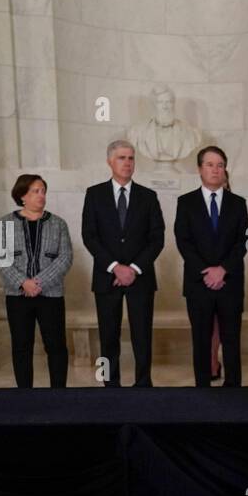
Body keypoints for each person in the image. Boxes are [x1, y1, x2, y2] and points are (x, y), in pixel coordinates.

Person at [81, 140, 164, 387]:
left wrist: (134, 269)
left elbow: (156, 238)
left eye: (131, 158)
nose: (127, 163)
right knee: (108, 336)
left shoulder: (149, 197)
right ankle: (109, 385)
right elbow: (90, 236)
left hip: (141, 278)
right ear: (110, 161)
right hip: (107, 277)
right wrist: (115, 267)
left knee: (142, 336)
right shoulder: (94, 194)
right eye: (121, 158)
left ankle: (143, 383)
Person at [174, 146, 248, 387]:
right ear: (199, 169)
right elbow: (183, 241)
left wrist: (223, 269)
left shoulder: (238, 203)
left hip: (230, 282)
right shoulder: (185, 202)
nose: (215, 169)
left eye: (220, 165)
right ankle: (202, 392)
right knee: (201, 340)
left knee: (231, 340)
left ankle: (234, 391)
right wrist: (206, 271)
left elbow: (244, 240)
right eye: (210, 164)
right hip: (199, 283)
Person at [0, 174, 72, 388]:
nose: (41, 196)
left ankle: (59, 393)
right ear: (22, 196)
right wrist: (23, 282)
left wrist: (38, 283)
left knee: (56, 346)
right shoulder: (4, 224)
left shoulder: (58, 224)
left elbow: (65, 257)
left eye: (43, 191)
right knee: (21, 346)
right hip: (17, 296)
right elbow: (1, 260)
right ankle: (25, 396)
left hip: (51, 295)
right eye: (35, 191)